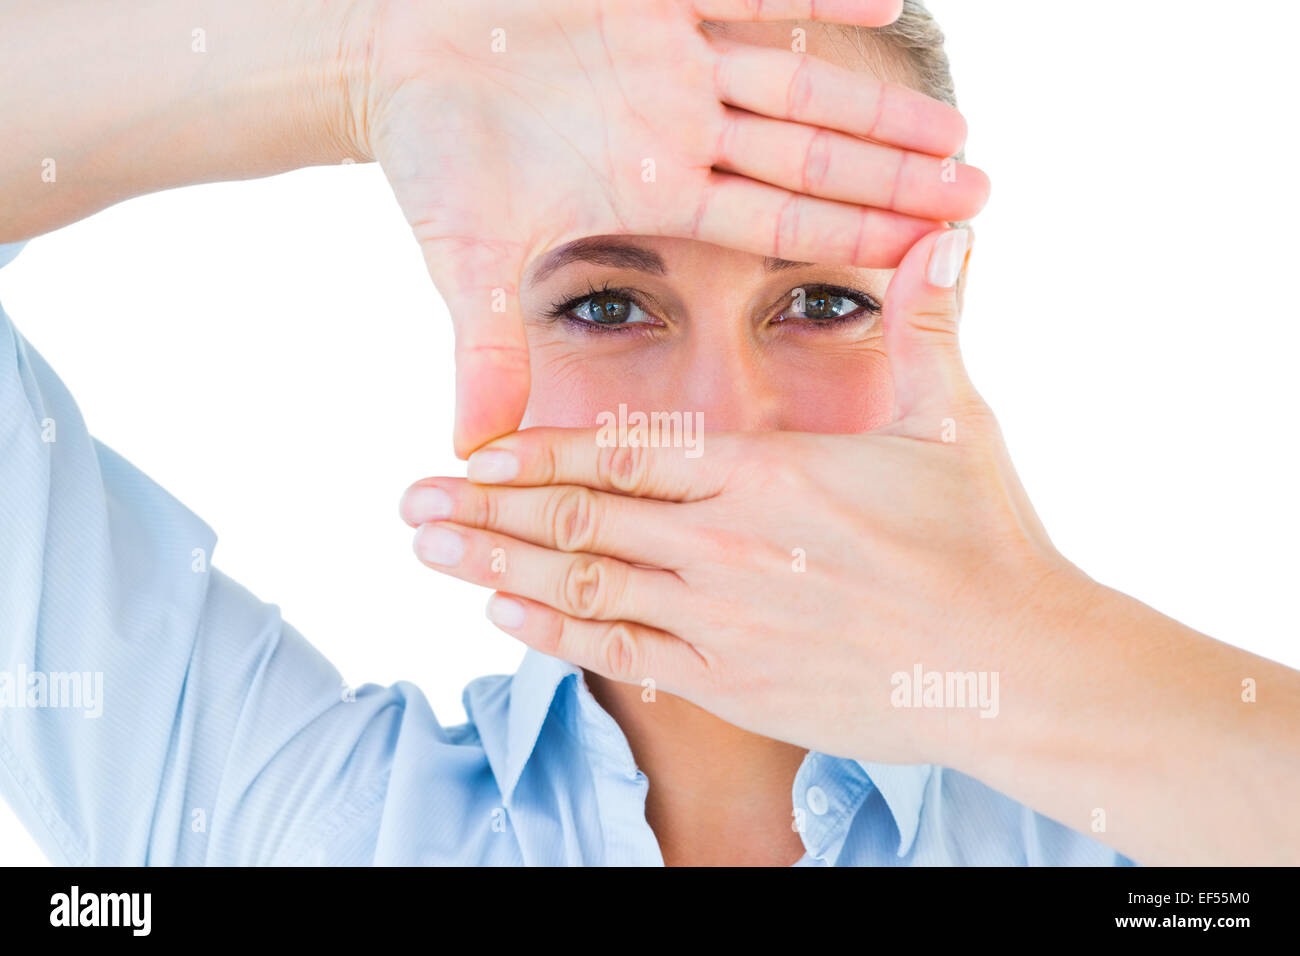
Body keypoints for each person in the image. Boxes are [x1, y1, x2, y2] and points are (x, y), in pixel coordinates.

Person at [1, 1, 1295, 868]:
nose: (719, 421)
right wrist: (371, 57)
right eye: (611, 304)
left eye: (825, 300)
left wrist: (1023, 645)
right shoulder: (297, 825)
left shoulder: (1155, 844)